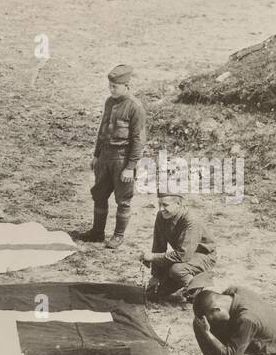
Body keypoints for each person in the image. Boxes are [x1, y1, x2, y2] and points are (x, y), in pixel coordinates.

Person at [84, 64, 147, 249]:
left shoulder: (135, 107)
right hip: (105, 156)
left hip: (122, 158)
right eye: (110, 86)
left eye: (115, 86)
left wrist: (130, 166)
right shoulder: (109, 102)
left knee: (123, 199)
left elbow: (139, 139)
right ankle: (97, 232)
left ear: (126, 85)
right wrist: (96, 155)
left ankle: (118, 235)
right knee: (99, 194)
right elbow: (102, 131)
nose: (111, 89)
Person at [140, 191, 217, 300]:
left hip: (203, 256)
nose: (161, 209)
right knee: (155, 294)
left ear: (178, 204)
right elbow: (158, 246)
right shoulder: (161, 216)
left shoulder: (191, 221)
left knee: (176, 270)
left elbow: (183, 255)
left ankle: (196, 287)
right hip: (184, 254)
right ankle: (182, 281)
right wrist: (156, 275)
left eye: (165, 205)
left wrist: (152, 257)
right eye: (159, 205)